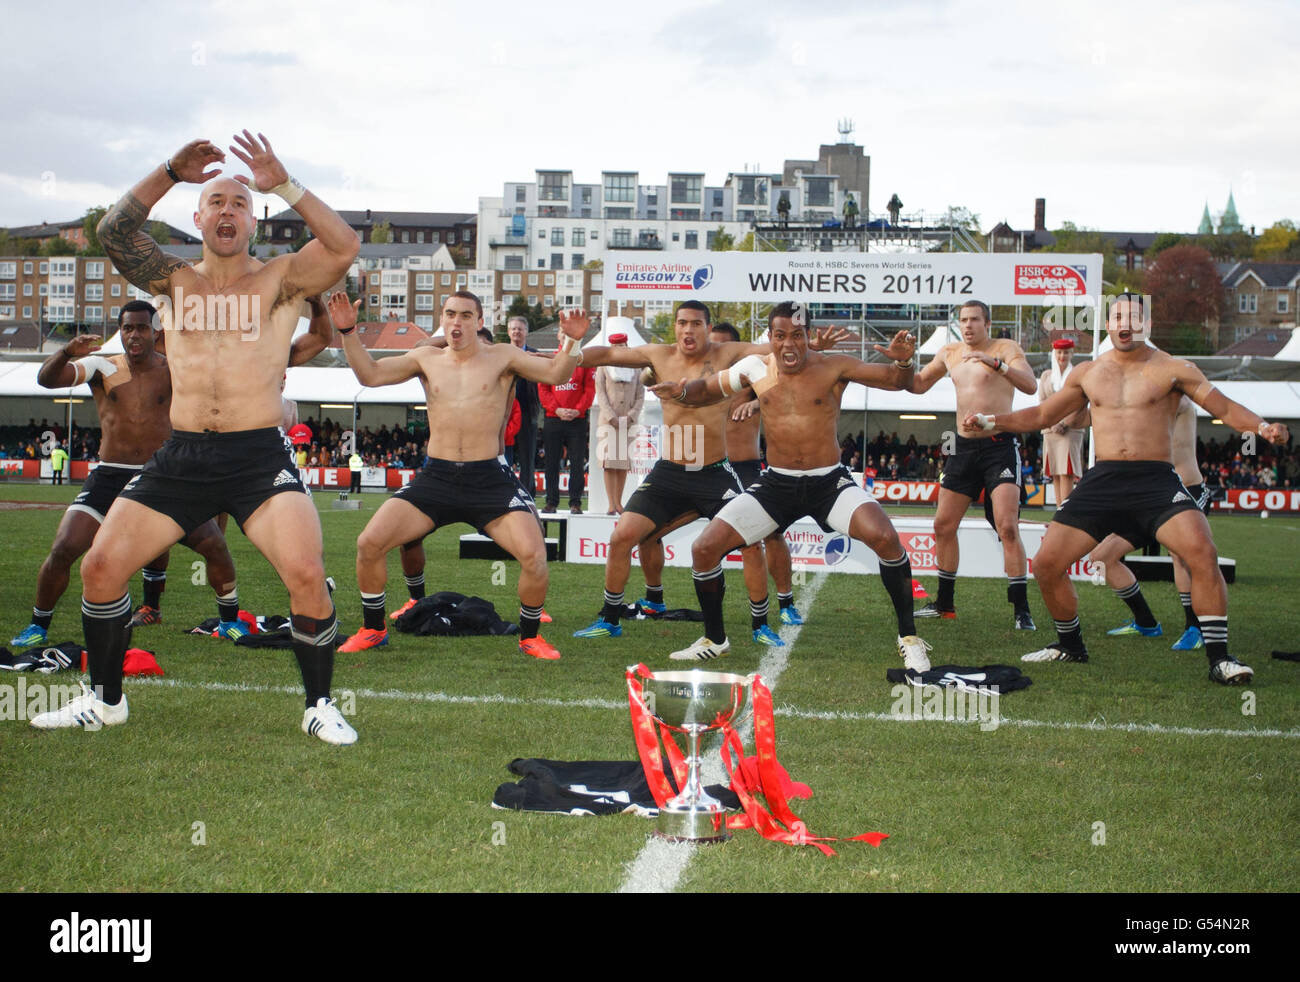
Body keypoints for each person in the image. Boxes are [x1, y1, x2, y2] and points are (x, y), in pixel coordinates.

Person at [29, 133, 362, 744]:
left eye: (239, 203)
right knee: (101, 567)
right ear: (198, 217)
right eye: (216, 202)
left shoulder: (282, 279)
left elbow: (343, 245)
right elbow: (113, 233)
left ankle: (319, 704)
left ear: (255, 219)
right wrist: (168, 172)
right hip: (183, 453)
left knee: (307, 574)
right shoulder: (172, 281)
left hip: (257, 453)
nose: (227, 211)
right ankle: (105, 702)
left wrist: (284, 184)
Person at [962, 294, 1288, 684]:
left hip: (1155, 480)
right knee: (1047, 564)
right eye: (1117, 316)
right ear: (1108, 324)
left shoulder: (1173, 369)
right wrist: (991, 421)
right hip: (1104, 481)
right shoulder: (1089, 372)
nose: (1124, 322)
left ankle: (1220, 659)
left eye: (1133, 316)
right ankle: (1070, 645)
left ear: (1145, 324)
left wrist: (1262, 427)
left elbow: (1225, 408)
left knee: (1203, 552)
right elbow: (1043, 415)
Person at [649, 302, 932, 670]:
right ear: (770, 338)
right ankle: (715, 640)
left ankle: (909, 638)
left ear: (808, 337)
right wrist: (682, 391)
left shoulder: (833, 365)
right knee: (704, 549)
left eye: (796, 335)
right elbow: (708, 389)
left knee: (885, 537)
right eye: (780, 335)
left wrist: (904, 362)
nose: (788, 344)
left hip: (828, 482)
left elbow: (899, 382)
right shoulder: (754, 368)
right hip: (777, 484)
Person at [331, 291, 587, 660]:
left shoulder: (503, 356)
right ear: (442, 319)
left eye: (466, 315)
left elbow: (555, 372)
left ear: (479, 322)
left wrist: (574, 341)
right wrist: (349, 330)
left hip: (489, 480)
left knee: (533, 554)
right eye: (450, 314)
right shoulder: (426, 358)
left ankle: (530, 637)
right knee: (369, 543)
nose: (457, 322)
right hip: (437, 478)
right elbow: (370, 375)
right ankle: (373, 629)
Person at [570, 301, 841, 643]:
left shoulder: (727, 353)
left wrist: (809, 346)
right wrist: (574, 344)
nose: (688, 330)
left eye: (696, 324)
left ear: (707, 328)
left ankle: (760, 624)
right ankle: (611, 617)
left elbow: (771, 347)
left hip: (714, 471)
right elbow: (607, 357)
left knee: (752, 540)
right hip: (669, 473)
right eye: (682, 323)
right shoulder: (658, 354)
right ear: (675, 326)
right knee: (622, 536)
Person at [11, 302, 242, 647]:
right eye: (128, 328)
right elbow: (47, 380)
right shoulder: (102, 365)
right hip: (110, 475)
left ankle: (229, 622)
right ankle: (38, 625)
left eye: (142, 328)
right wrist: (65, 353)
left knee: (214, 545)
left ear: (155, 332)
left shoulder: (174, 369)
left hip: (161, 475)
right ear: (120, 331)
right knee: (64, 548)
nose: (134, 335)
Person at [907, 299, 1039, 629]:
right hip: (963, 448)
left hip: (999, 445)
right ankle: (945, 604)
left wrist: (996, 364)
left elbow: (1031, 385)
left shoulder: (1005, 348)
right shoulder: (950, 352)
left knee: (1007, 526)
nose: (968, 325)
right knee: (942, 525)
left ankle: (1021, 609)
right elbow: (919, 385)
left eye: (974, 320)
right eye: (963, 319)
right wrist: (902, 362)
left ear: (987, 323)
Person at [1088, 393, 1214, 651]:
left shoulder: (1177, 400)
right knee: (1102, 557)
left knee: (1180, 556)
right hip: (1147, 499)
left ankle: (1195, 628)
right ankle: (1146, 622)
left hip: (1186, 492)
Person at [710, 320, 803, 639]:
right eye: (713, 345)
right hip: (708, 469)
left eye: (724, 346)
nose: (717, 351)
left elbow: (787, 383)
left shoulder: (754, 377)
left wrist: (757, 401)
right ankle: (653, 600)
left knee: (771, 534)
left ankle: (786, 602)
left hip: (746, 467)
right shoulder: (704, 378)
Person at [594, 332, 644, 515]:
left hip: (628, 423)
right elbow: (600, 393)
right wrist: (611, 416)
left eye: (623, 345)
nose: (620, 349)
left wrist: (631, 416)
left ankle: (619, 502)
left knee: (623, 463)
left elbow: (640, 395)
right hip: (609, 421)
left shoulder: (636, 368)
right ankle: (611, 503)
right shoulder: (604, 367)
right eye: (617, 346)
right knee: (609, 462)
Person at [539, 357, 595, 514]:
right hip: (553, 418)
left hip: (577, 419)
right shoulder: (551, 360)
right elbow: (543, 388)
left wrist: (578, 409)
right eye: (563, 334)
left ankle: (575, 503)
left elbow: (590, 389)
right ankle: (551, 502)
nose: (565, 338)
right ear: (559, 336)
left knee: (577, 462)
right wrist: (556, 409)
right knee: (551, 462)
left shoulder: (584, 361)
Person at [1039, 337, 1089, 506]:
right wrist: (1051, 423)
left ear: (1071, 354)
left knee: (1066, 471)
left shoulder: (1076, 375)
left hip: (1070, 429)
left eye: (1066, 352)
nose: (1062, 356)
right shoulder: (1047, 375)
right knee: (1055, 471)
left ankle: (1064, 512)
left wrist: (1064, 423)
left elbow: (1081, 403)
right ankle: (1058, 512)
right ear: (1054, 353)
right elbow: (1042, 402)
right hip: (1050, 430)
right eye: (1059, 352)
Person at [506, 316, 541, 497]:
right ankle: (506, 493)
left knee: (528, 458)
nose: (516, 332)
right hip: (505, 415)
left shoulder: (535, 355)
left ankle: (528, 495)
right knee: (504, 456)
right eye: (513, 329)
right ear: (508, 332)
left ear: (526, 332)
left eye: (520, 329)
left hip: (528, 413)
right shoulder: (501, 355)